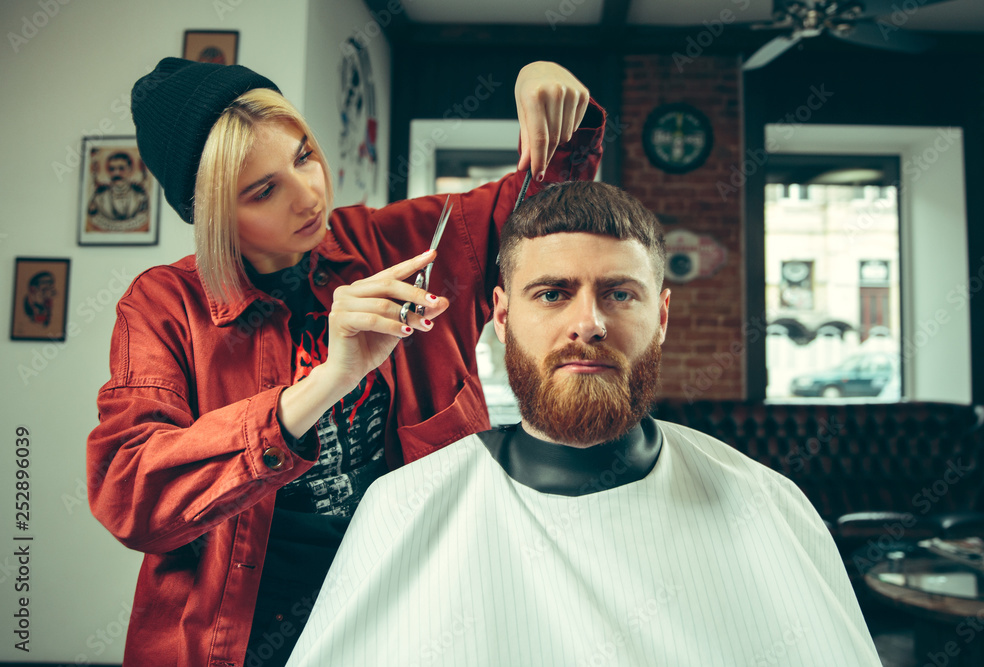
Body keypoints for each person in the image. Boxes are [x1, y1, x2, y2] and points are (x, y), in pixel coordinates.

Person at [86, 56, 604, 667]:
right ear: (214, 216)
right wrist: (330, 379)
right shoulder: (162, 307)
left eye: (303, 156)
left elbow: (542, 221)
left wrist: (546, 87)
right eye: (263, 190)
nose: (309, 194)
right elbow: (132, 498)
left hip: (418, 619)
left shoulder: (397, 244)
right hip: (244, 640)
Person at [285, 181, 883, 666]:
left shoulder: (768, 504)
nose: (589, 323)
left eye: (620, 294)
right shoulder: (403, 508)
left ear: (663, 315)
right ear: (500, 314)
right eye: (551, 293)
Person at [86, 151, 151, 231]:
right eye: (112, 169)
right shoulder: (99, 197)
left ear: (130, 169)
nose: (116, 173)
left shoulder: (140, 196)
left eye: (121, 168)